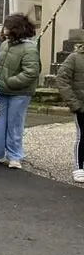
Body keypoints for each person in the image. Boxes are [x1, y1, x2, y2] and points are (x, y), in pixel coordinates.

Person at [0, 13, 41, 170]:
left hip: (20, 93)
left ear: (15, 28)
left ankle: (15, 156)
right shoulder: (5, 44)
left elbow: (31, 72)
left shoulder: (29, 48)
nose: (4, 29)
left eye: (7, 26)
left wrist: (8, 82)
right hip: (2, 90)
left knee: (14, 124)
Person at [55, 39, 84, 183]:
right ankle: (79, 167)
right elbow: (62, 79)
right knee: (82, 136)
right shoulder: (75, 57)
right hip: (81, 105)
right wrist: (74, 103)